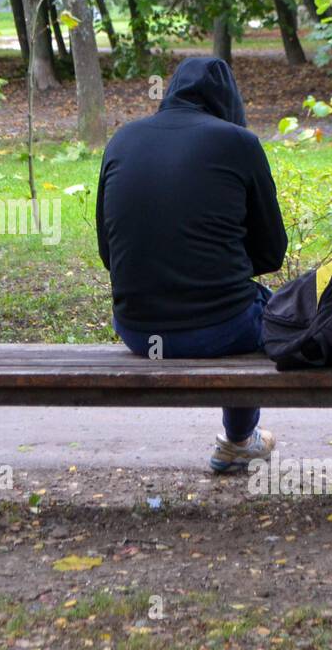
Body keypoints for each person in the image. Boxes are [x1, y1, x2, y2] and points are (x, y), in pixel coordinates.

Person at [95, 56, 287, 473]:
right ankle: (239, 440)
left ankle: (239, 440)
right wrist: (220, 265)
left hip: (137, 330)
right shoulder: (239, 143)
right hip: (223, 329)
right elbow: (272, 254)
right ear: (229, 99)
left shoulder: (122, 140)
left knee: (237, 303)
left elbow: (109, 254)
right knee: (262, 308)